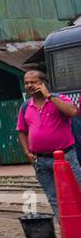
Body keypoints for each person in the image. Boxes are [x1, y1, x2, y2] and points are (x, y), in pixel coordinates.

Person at [17, 69, 81, 217]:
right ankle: (67, 233)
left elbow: (73, 112)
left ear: (43, 83)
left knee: (77, 192)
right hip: (41, 161)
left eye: (33, 82)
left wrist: (49, 96)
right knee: (54, 198)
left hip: (65, 157)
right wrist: (27, 152)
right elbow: (21, 131)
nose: (29, 85)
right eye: (26, 83)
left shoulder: (58, 99)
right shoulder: (25, 106)